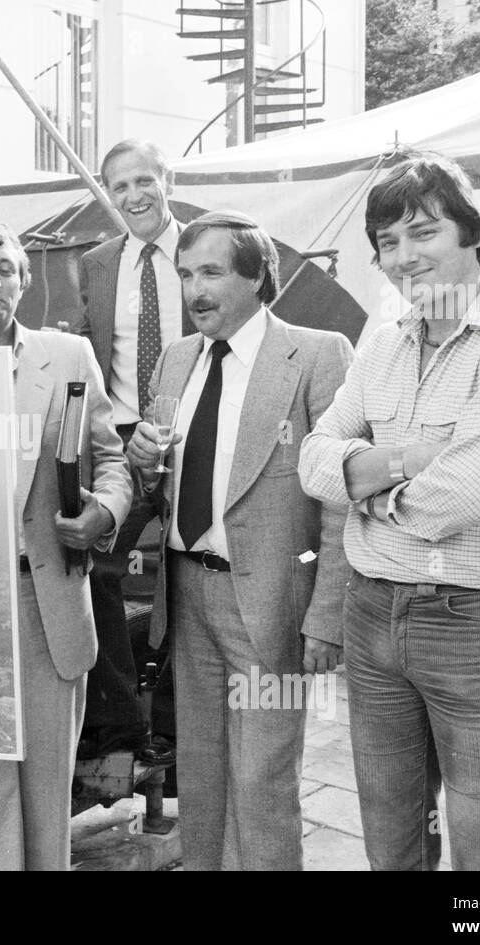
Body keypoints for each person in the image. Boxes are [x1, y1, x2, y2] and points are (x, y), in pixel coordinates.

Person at [299, 151, 480, 871]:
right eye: (387, 242)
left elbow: (471, 494)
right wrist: (403, 462)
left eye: (422, 233)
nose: (402, 256)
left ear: (474, 235)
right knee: (392, 839)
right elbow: (312, 457)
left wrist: (364, 489)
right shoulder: (382, 340)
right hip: (371, 614)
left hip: (477, 627)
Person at [124, 211, 353, 870]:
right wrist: (145, 461)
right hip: (186, 595)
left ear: (256, 276)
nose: (195, 289)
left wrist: (326, 615)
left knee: (261, 784)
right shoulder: (175, 359)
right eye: (185, 273)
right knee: (200, 774)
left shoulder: (316, 354)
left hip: (269, 601)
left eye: (212, 272)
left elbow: (339, 501)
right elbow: (159, 484)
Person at [0, 221, 132, 870]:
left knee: (47, 785)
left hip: (47, 597)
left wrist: (105, 511)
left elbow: (111, 458)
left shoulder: (66, 357)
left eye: (6, 268)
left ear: (25, 279)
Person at [72, 139, 192, 764]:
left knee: (191, 569)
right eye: (119, 186)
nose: (134, 196)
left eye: (145, 180)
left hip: (195, 433)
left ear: (167, 178)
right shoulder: (96, 263)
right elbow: (92, 355)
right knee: (97, 565)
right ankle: (122, 723)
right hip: (121, 443)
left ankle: (173, 730)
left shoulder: (204, 251)